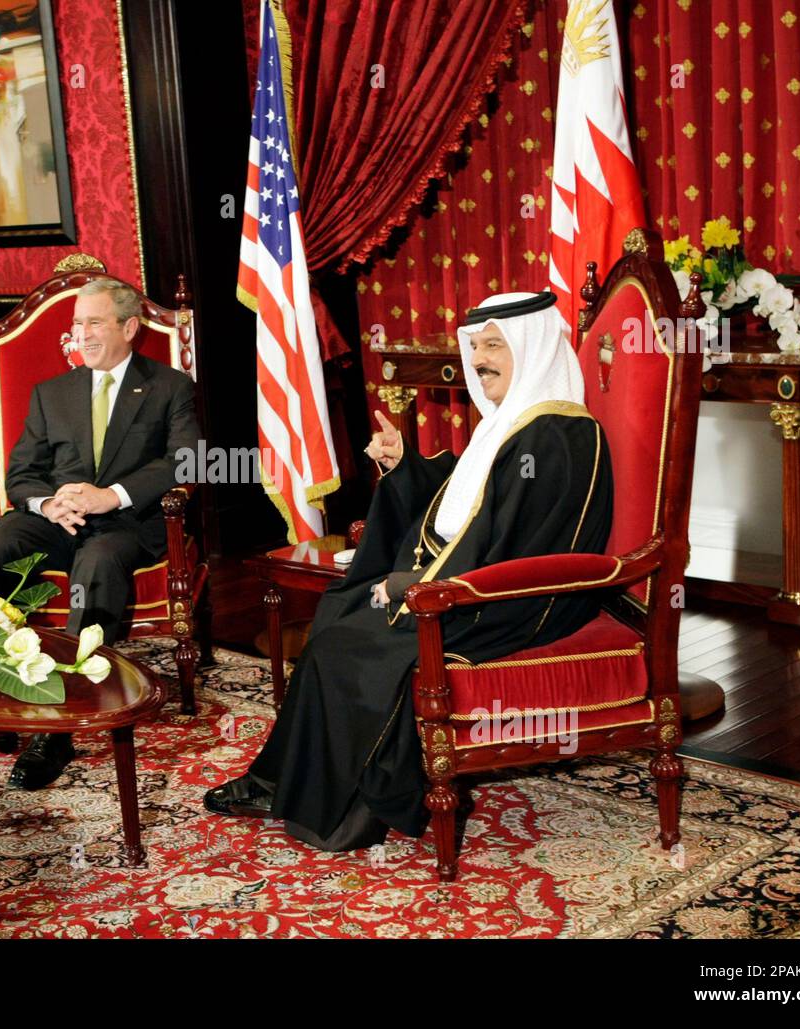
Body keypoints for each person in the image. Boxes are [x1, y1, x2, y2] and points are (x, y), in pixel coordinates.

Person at [204, 290, 613, 851]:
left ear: (534, 349)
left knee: (351, 646)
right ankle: (283, 782)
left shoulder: (555, 436)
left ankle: (353, 808)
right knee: (339, 611)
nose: (481, 360)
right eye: (477, 347)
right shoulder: (515, 423)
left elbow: (514, 551)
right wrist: (406, 468)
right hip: (474, 583)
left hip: (518, 602)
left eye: (495, 345)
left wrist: (412, 585)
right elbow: (468, 506)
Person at [0, 276, 200, 789]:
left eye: (93, 322)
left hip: (126, 521)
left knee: (97, 562)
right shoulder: (51, 393)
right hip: (56, 518)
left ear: (129, 326)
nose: (82, 334)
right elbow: (21, 474)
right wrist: (48, 502)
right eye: (77, 324)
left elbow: (185, 460)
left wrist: (112, 495)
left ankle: (61, 725)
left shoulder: (169, 387)